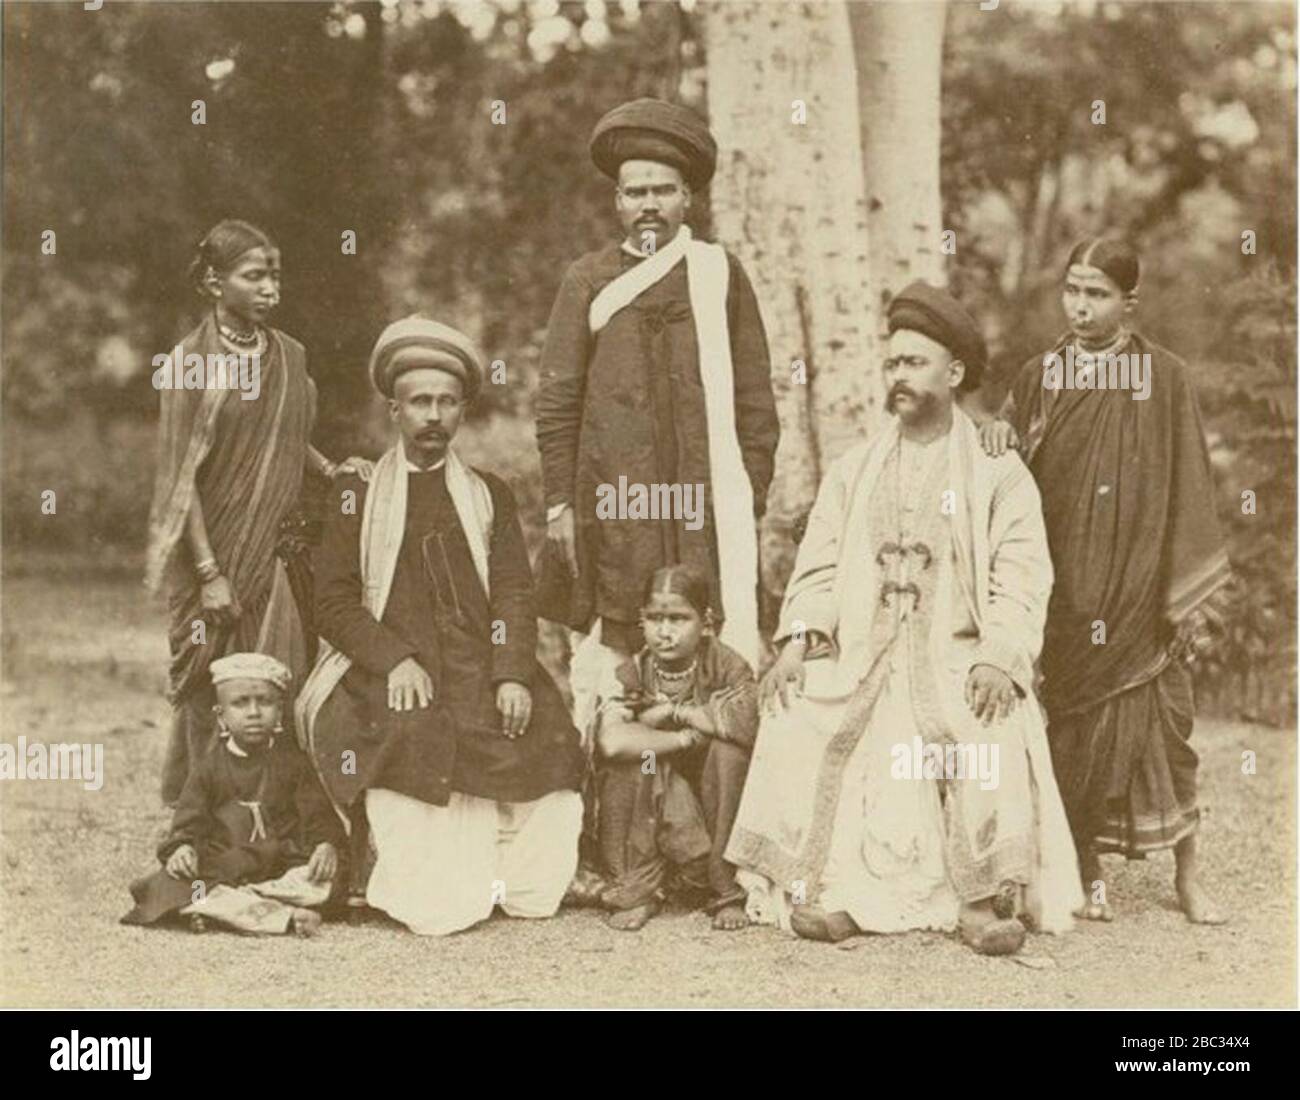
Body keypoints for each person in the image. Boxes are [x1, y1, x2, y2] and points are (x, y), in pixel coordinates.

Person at [726, 282, 1082, 955]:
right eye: (892, 363)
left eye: (915, 363)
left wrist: (999, 656)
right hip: (862, 657)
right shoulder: (854, 469)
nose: (899, 376)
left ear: (955, 373)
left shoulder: (997, 473)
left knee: (985, 721)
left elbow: (1022, 576)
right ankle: (839, 895)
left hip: (956, 659)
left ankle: (978, 904)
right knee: (794, 706)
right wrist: (798, 641)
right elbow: (819, 566)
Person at [296, 316, 587, 937]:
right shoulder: (356, 494)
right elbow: (334, 603)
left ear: (461, 410)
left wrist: (511, 673)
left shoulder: (487, 494)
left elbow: (512, 594)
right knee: (414, 735)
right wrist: (394, 660)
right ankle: (419, 875)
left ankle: (515, 876)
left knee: (547, 734)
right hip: (390, 668)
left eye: (447, 402)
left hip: (479, 661)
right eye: (420, 402)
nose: (433, 415)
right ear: (394, 410)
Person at [979, 238, 1231, 924]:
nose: (1080, 306)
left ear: (1129, 302)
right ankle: (1086, 869)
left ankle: (1189, 877)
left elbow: (1191, 481)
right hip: (1069, 586)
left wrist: (1182, 588)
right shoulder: (1041, 375)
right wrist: (997, 434)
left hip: (1143, 589)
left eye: (1097, 293)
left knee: (1169, 734)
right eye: (1072, 290)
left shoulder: (1165, 377)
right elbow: (1008, 447)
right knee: (1075, 731)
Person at [535, 97, 779, 733]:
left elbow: (755, 396)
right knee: (623, 634)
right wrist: (561, 505)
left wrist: (746, 493)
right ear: (617, 202)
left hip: (704, 502)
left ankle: (710, 758)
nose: (649, 205)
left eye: (663, 191)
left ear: (687, 199)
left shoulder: (719, 274)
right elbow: (557, 402)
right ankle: (617, 770)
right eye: (636, 192)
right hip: (616, 502)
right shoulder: (587, 279)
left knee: (706, 626)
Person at [145, 219, 372, 804]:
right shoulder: (189, 362)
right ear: (213, 282)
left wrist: (333, 471)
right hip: (211, 547)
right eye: (254, 276)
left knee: (269, 672)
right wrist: (209, 573)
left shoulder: (288, 356)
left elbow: (287, 440)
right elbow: (181, 481)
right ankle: (201, 810)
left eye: (275, 275)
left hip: (272, 545)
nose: (270, 288)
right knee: (210, 675)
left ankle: (272, 808)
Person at [121, 653, 343, 936]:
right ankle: (284, 917)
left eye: (264, 702)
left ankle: (229, 908)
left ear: (279, 710)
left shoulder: (294, 763)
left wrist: (325, 845)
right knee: (166, 885)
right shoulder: (207, 768)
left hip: (281, 866)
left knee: (326, 880)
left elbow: (319, 817)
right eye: (240, 703)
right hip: (225, 864)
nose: (254, 712)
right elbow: (188, 822)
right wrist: (182, 848)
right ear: (221, 715)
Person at [592, 564, 758, 932]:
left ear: (706, 622)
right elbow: (612, 741)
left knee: (728, 753)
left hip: (713, 795)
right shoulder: (634, 671)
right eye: (655, 619)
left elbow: (747, 724)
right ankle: (640, 887)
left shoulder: (727, 666)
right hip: (658, 794)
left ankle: (725, 888)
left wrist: (671, 713)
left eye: (679, 619)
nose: (664, 632)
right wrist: (684, 736)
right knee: (642, 761)